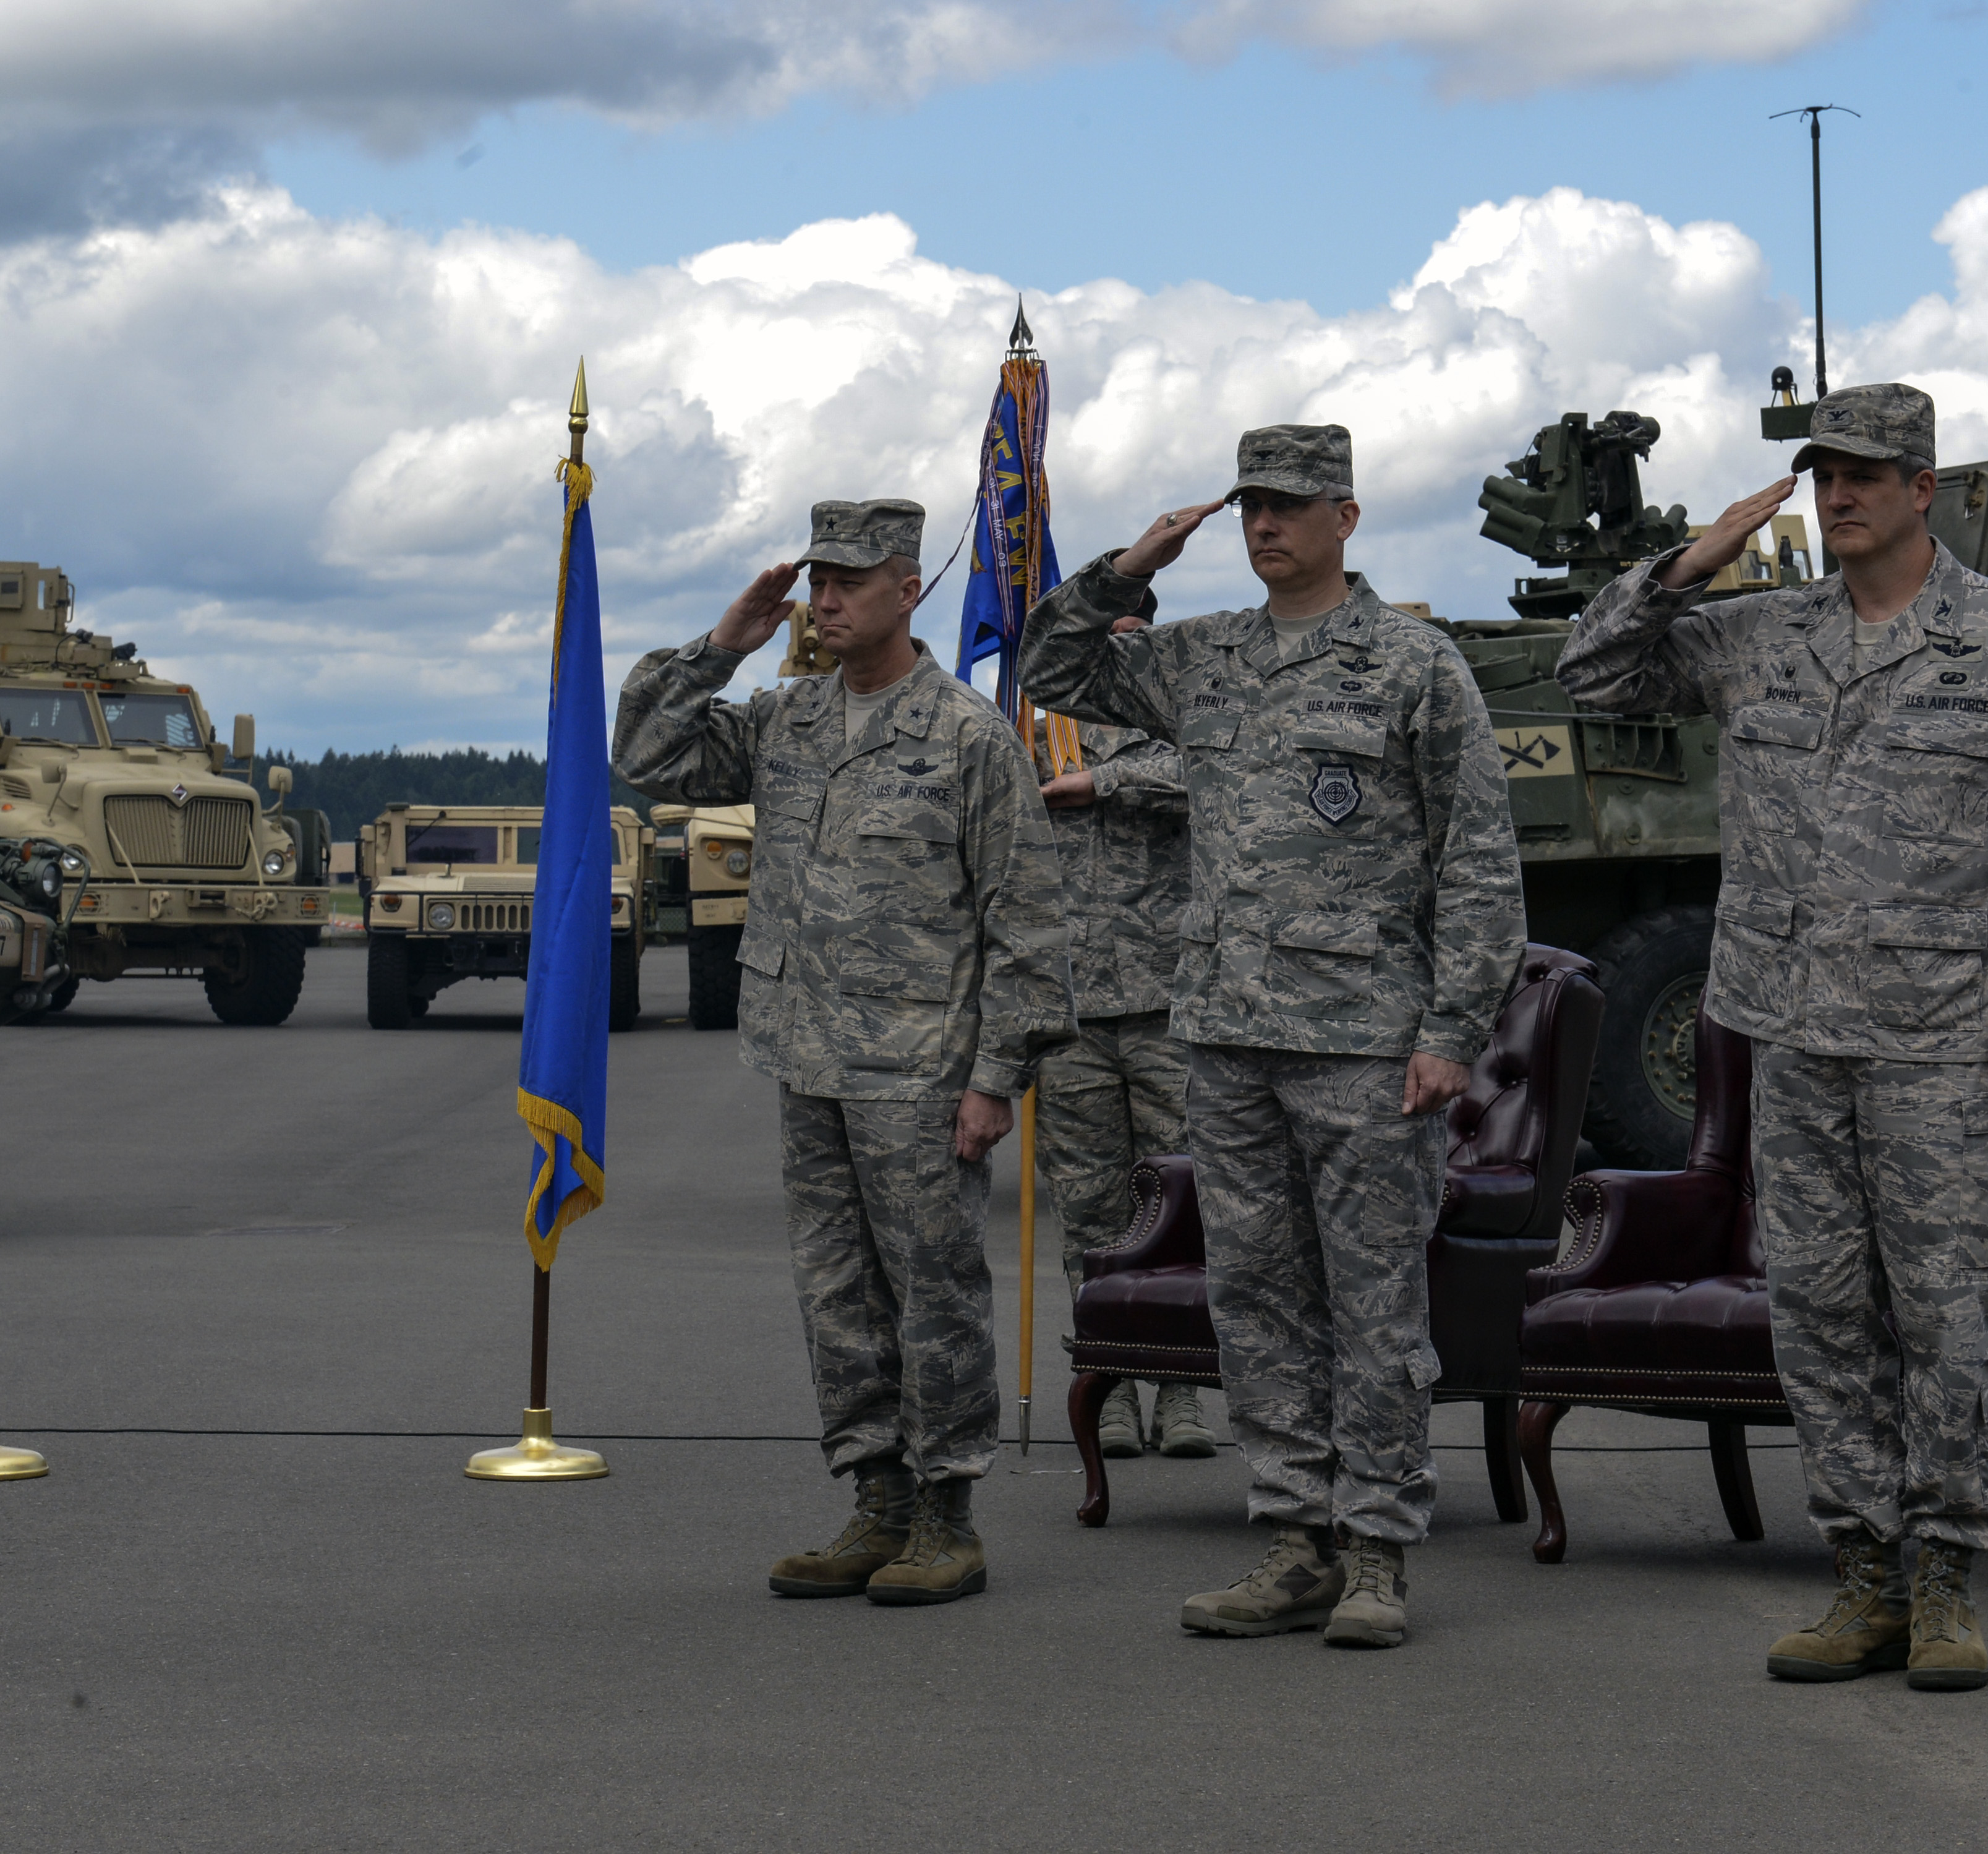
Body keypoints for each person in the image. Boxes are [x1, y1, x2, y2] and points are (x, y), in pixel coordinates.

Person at [1557, 383, 1988, 1691]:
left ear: (1924, 488)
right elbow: (1589, 674)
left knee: (1947, 1316)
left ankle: (1942, 1583)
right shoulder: (1757, 637)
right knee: (1814, 1314)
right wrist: (1689, 562)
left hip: (1946, 1046)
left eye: (1864, 473)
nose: (1838, 493)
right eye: (1823, 475)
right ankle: (1859, 1570)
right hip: (1790, 1036)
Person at [1025, 425, 1525, 1649]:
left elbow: (1478, 861)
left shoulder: (1411, 664)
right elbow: (1049, 660)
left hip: (1363, 1040)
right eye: (1251, 503)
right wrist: (1133, 560)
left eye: (1293, 505)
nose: (1266, 525)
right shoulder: (1201, 657)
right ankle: (1293, 1535)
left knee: (1369, 1305)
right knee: (1253, 1298)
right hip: (1225, 1031)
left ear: (1344, 517)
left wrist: (1451, 1029)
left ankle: (1374, 1551)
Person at [613, 497, 1075, 1608]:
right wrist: (724, 643)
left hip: (923, 1069)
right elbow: (644, 752)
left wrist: (997, 1076)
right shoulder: (790, 721)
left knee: (935, 1295)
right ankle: (873, 1499)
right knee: (838, 1296)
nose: (825, 600)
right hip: (808, 1056)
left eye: (850, 581)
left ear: (906, 590)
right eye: (817, 580)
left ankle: (946, 1514)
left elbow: (1027, 919)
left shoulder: (965, 733)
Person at [1032, 597, 1213, 1461]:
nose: (1118, 658)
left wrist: (1098, 783)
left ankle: (1184, 1388)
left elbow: (1200, 775)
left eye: (1131, 642)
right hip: (1067, 1014)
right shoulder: (1036, 732)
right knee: (1091, 1212)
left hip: (1168, 1006)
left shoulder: (1180, 716)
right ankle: (1105, 1385)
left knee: (1180, 1200)